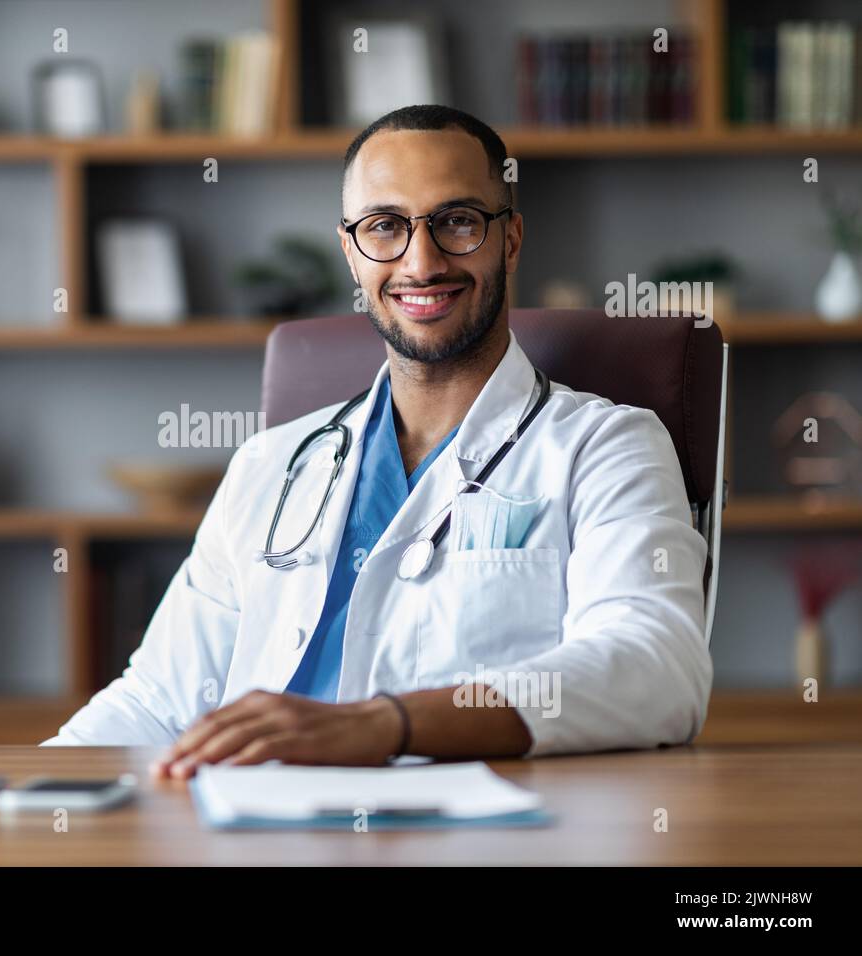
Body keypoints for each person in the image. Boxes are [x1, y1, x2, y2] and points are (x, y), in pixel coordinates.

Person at [42, 105, 712, 778]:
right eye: (385, 226)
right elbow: (158, 699)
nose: (421, 263)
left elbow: (654, 665)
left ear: (509, 240)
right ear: (350, 252)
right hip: (247, 829)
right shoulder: (270, 463)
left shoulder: (606, 446)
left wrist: (385, 724)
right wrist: (29, 799)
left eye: (456, 221)